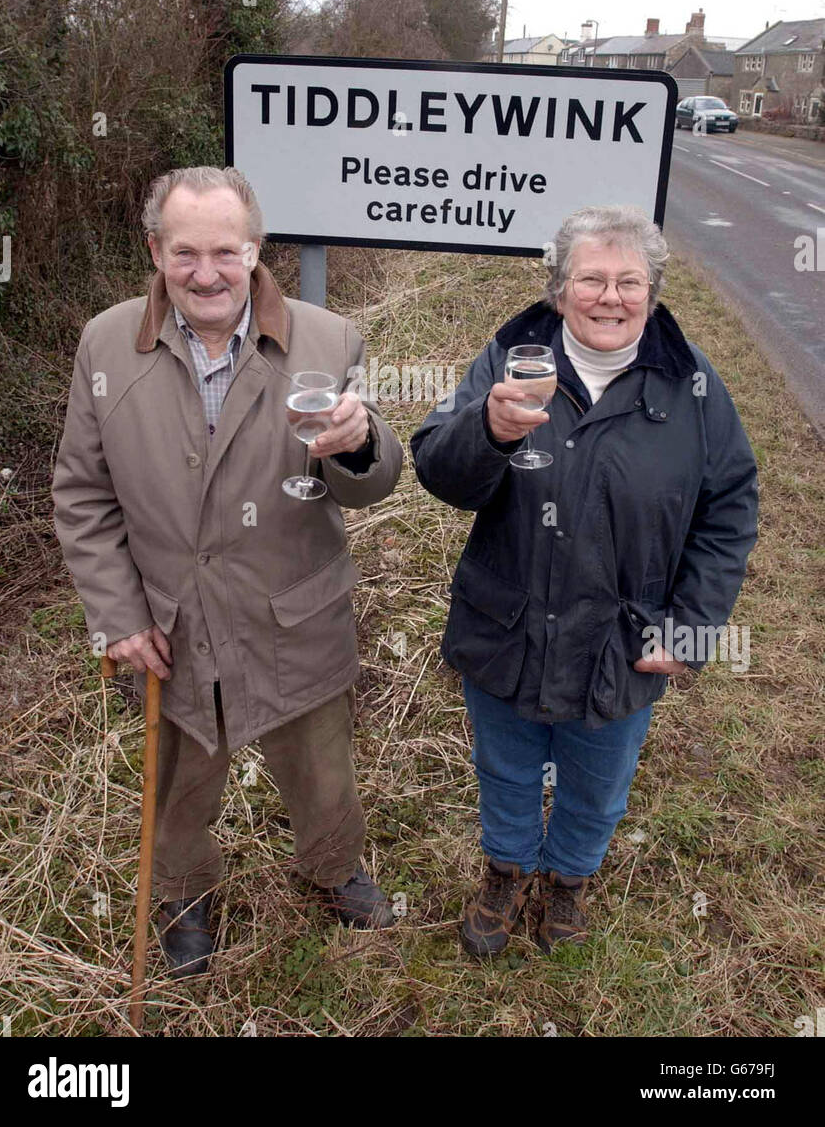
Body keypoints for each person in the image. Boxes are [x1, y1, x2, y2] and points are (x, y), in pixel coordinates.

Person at [52, 165, 403, 978]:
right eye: (184, 253)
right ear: (155, 250)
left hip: (293, 614)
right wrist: (118, 614)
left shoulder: (329, 339)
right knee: (176, 781)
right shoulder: (106, 342)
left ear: (254, 248)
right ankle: (181, 893)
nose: (204, 273)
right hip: (167, 623)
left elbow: (375, 482)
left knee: (321, 772)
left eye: (223, 251)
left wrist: (357, 443)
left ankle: (331, 868)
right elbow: (82, 492)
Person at [411, 205, 758, 959]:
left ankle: (566, 882)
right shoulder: (509, 359)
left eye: (628, 281)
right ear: (558, 289)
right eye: (591, 279)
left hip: (622, 641)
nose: (610, 297)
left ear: (653, 293)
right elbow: (440, 471)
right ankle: (504, 870)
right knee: (504, 768)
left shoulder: (691, 386)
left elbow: (729, 505)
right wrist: (490, 432)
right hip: (505, 624)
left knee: (597, 782)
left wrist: (691, 625)